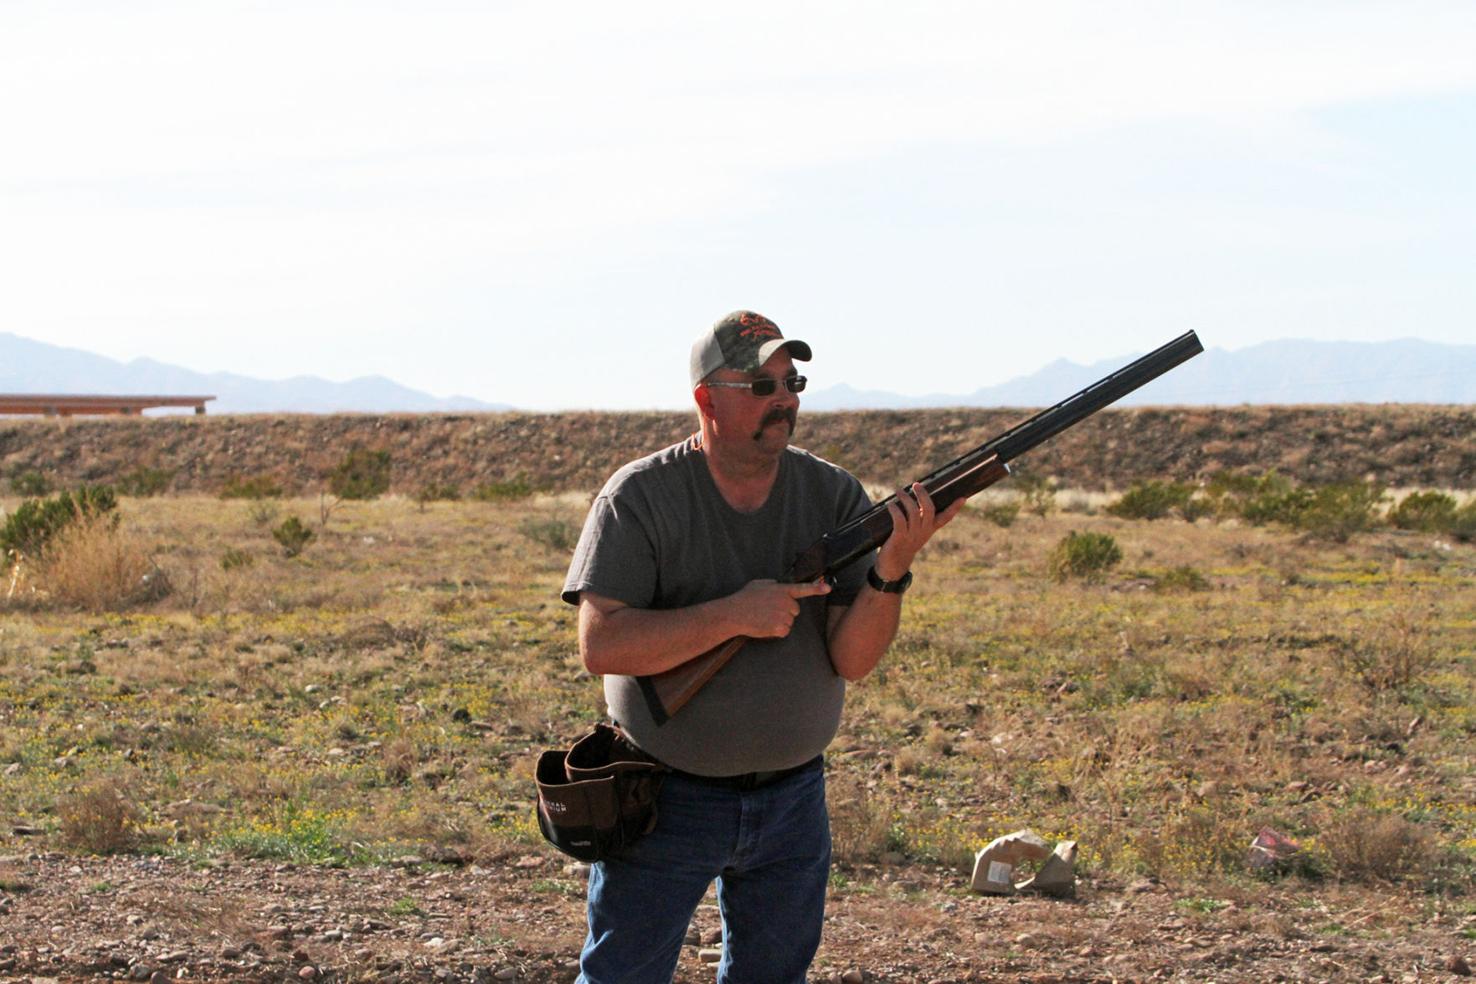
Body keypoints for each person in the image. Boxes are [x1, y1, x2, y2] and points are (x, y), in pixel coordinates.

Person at [561, 310, 962, 984]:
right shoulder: (640, 496)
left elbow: (853, 660)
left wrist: (894, 568)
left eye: (791, 381)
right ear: (705, 399)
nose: (784, 399)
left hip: (793, 802)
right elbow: (602, 645)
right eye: (761, 385)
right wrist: (733, 615)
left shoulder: (832, 494)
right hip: (665, 798)